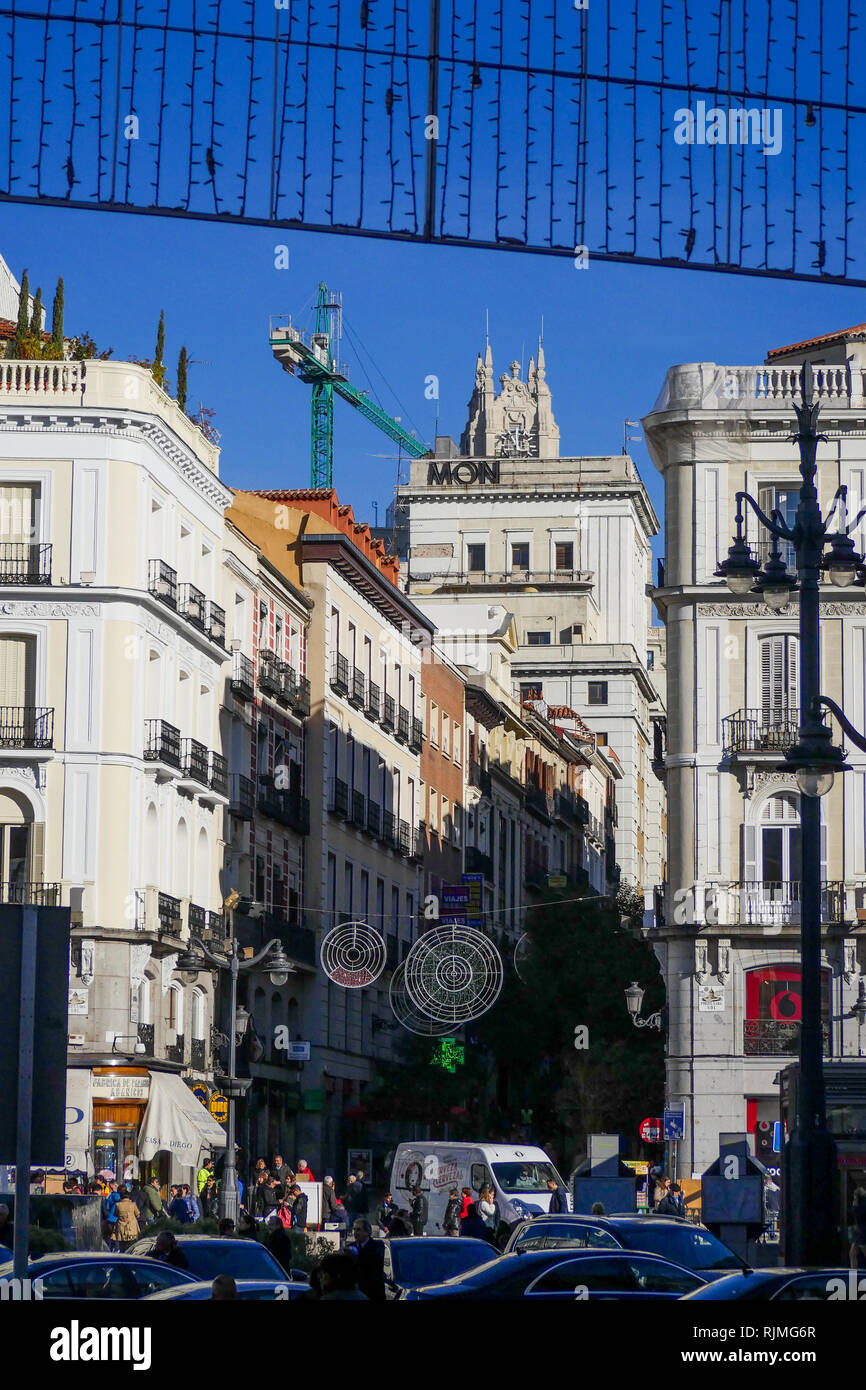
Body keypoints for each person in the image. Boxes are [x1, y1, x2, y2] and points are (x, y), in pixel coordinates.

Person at [346, 1219, 386, 1301]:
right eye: (354, 1229)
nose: (355, 1233)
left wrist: (355, 1254)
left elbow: (372, 1262)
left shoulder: (377, 1246)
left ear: (367, 1232)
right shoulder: (350, 1247)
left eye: (358, 1229)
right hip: (355, 1292)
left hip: (373, 1292)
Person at [849, 1186, 866, 1269]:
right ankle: (853, 1273)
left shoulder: (863, 1204)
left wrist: (854, 1205)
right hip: (859, 1231)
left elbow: (858, 1214)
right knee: (852, 1253)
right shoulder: (860, 1203)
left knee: (864, 1250)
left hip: (863, 1231)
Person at [102, 1180, 121, 1247]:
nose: (109, 1188)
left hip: (110, 1218)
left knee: (110, 1235)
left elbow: (107, 1206)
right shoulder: (117, 1195)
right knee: (116, 1235)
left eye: (110, 1186)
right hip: (116, 1218)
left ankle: (111, 1248)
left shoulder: (111, 1196)